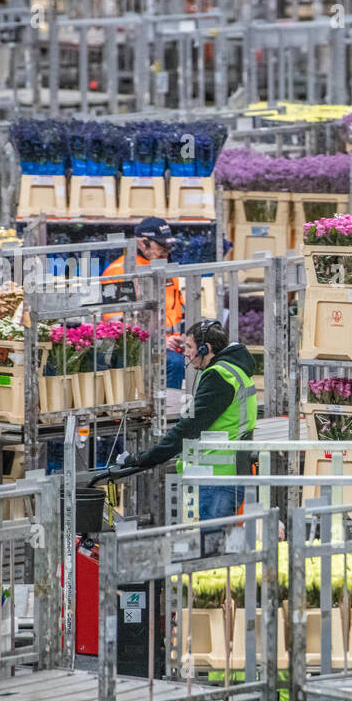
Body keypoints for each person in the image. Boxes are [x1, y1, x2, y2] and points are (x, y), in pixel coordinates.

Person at [118, 319, 258, 521]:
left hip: (217, 479)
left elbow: (188, 429)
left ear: (205, 348)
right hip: (226, 475)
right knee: (211, 546)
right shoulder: (234, 370)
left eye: (190, 347)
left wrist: (145, 459)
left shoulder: (220, 376)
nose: (187, 353)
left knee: (209, 547)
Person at [102, 217, 187, 390]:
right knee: (175, 363)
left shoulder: (165, 269)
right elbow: (118, 323)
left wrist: (187, 338)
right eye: (161, 246)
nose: (166, 251)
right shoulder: (119, 271)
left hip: (172, 345)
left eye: (169, 246)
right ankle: (167, 412)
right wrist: (158, 341)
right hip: (135, 347)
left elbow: (180, 311)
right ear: (143, 243)